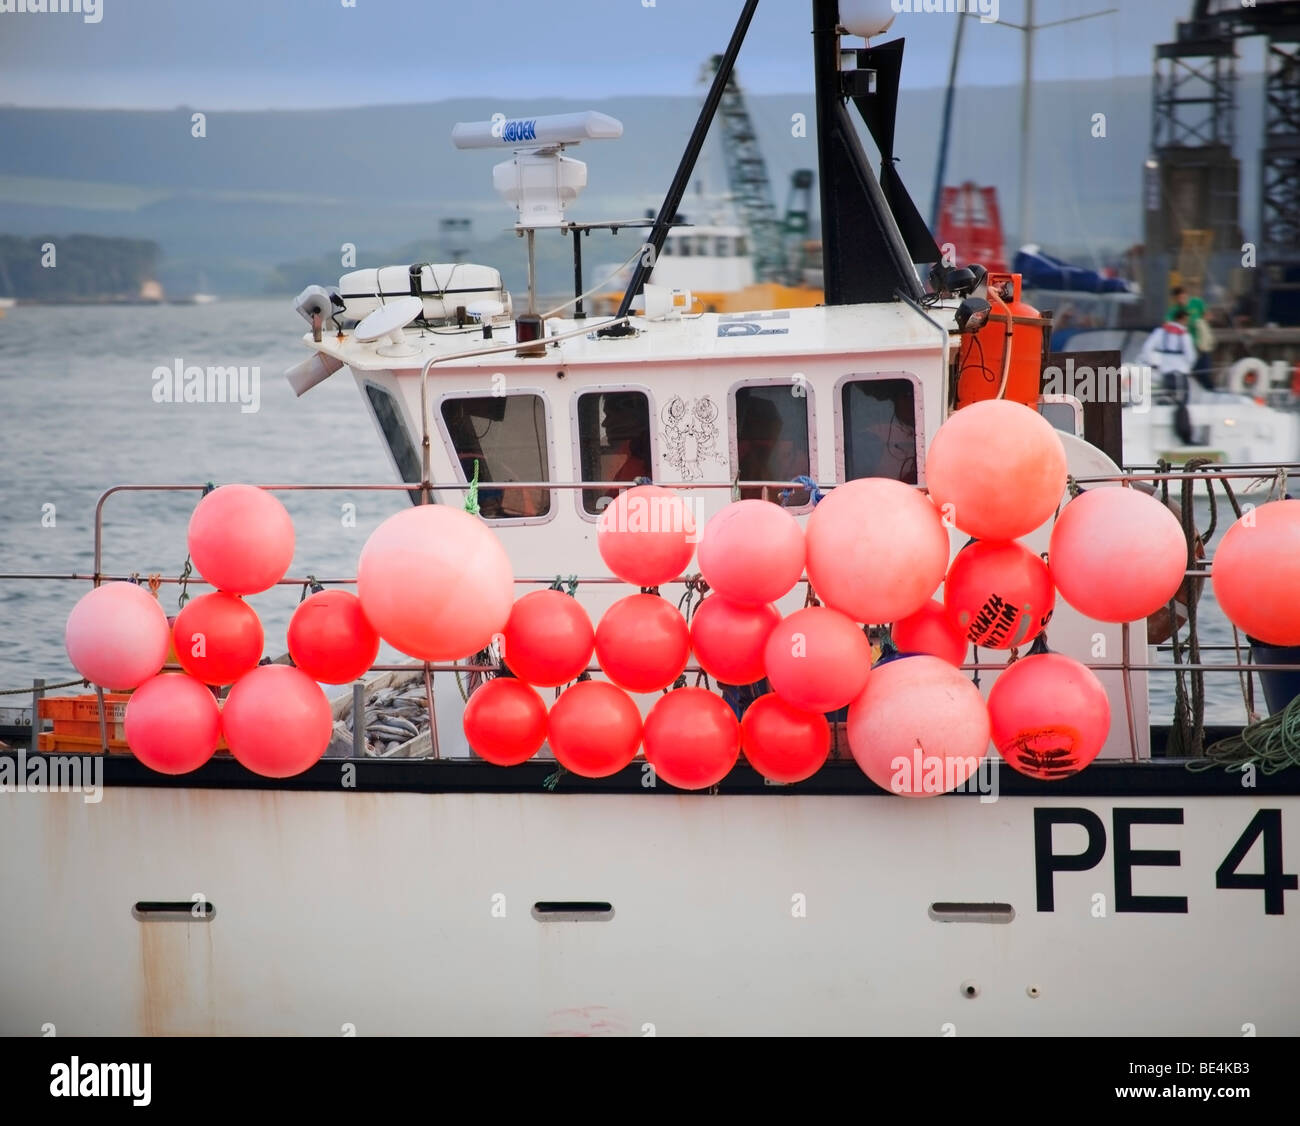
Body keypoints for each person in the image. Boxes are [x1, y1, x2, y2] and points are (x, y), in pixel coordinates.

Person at [1140, 305, 1198, 396]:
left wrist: (1150, 361)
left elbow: (1147, 347)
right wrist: (1190, 366)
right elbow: (1190, 353)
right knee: (1184, 392)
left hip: (1166, 366)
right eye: (1187, 320)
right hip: (1182, 368)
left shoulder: (1160, 331)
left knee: (1169, 392)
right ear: (1182, 319)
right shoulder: (1184, 334)